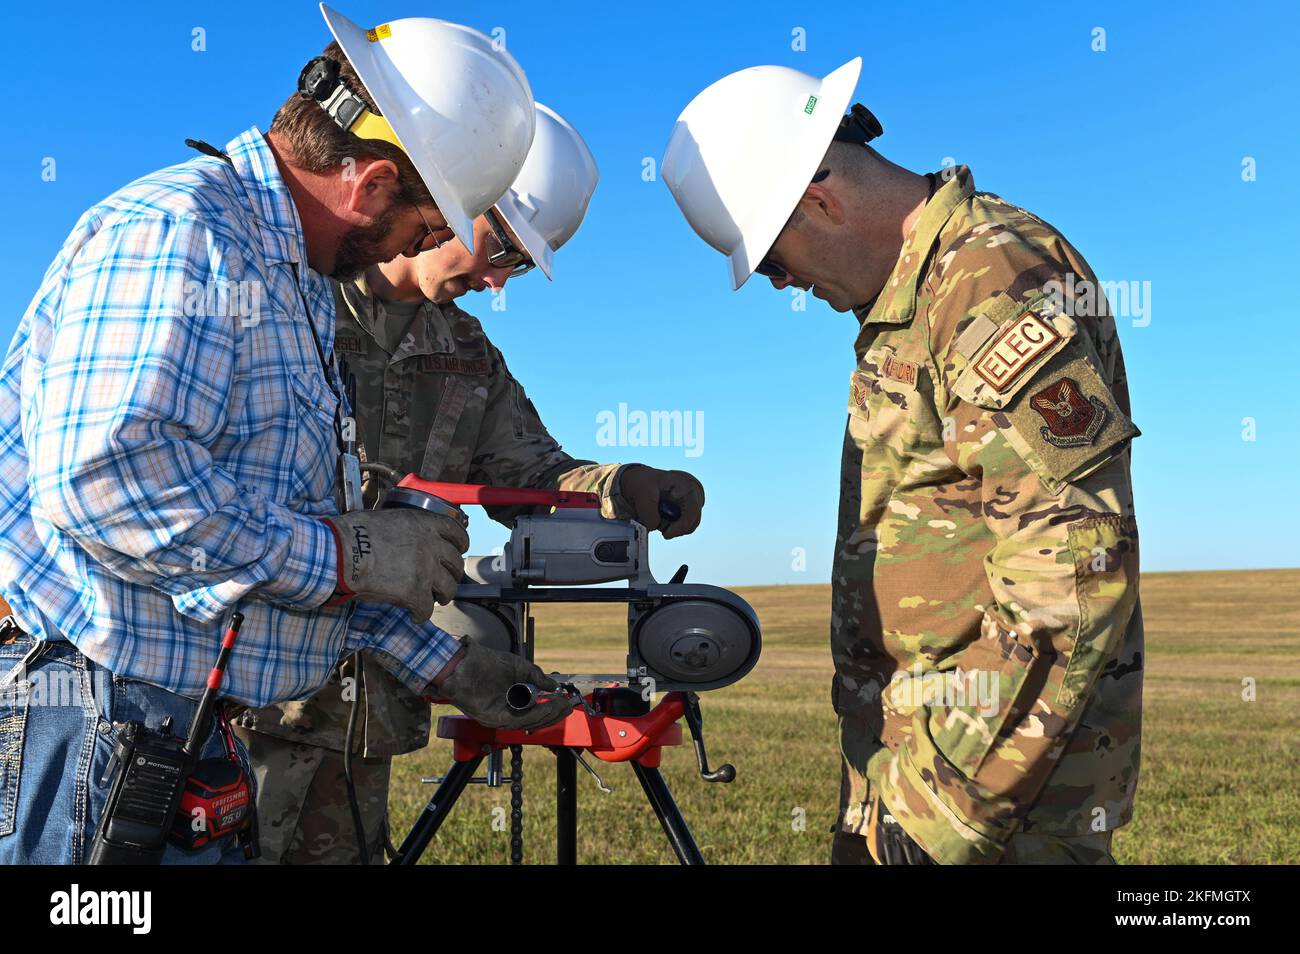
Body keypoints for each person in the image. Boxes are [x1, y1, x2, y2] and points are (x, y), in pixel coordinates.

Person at [0, 9, 568, 865]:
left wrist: (446, 665)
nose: (433, 251)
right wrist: (350, 554)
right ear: (373, 184)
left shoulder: (291, 277)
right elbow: (104, 478)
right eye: (427, 230)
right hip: (102, 727)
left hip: (178, 730)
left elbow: (272, 556)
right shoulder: (187, 232)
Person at [661, 59, 1143, 864]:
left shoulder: (990, 282)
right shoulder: (918, 296)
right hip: (917, 775)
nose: (786, 286)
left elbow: (1074, 567)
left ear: (819, 201)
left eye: (773, 262)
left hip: (989, 809)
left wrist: (938, 813)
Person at [234, 104, 706, 863]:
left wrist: (626, 483)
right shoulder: (294, 297)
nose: (494, 281)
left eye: (517, 265)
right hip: (251, 701)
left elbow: (533, 471)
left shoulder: (465, 350)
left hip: (371, 706)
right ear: (452, 191)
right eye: (501, 249)